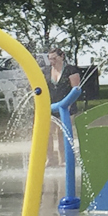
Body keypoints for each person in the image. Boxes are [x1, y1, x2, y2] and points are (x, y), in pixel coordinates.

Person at [45, 47, 83, 183]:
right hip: (50, 106)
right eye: (50, 59)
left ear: (62, 56)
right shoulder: (46, 71)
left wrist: (68, 104)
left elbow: (76, 90)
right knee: (47, 133)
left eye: (54, 58)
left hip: (67, 107)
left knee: (62, 133)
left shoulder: (71, 70)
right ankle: (50, 159)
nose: (52, 62)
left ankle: (63, 159)